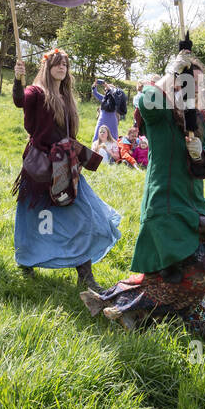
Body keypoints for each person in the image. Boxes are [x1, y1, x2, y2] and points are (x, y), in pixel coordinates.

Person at [82, 48, 205, 352]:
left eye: (198, 85)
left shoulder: (200, 121)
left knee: (170, 276)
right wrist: (173, 68)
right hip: (164, 206)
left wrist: (199, 154)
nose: (194, 90)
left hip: (194, 206)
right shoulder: (159, 113)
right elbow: (147, 100)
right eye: (187, 83)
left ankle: (130, 311)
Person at [11, 49, 121, 289]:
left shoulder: (67, 95)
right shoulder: (37, 92)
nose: (62, 67)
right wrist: (18, 80)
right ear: (47, 67)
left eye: (65, 64)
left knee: (85, 217)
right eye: (57, 64)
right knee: (35, 219)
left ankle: (85, 275)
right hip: (40, 169)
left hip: (66, 166)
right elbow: (21, 100)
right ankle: (28, 260)